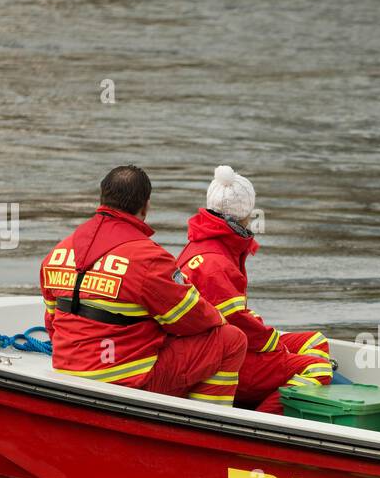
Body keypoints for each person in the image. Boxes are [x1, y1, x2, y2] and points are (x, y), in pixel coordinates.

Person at [40, 165, 247, 404]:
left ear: (102, 198)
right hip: (125, 381)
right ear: (146, 205)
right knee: (231, 340)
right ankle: (206, 427)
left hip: (65, 374)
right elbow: (193, 319)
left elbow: (52, 323)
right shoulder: (148, 258)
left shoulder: (58, 252)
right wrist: (219, 319)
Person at [176, 165, 332, 414]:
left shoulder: (204, 245)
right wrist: (275, 346)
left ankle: (276, 399)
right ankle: (263, 422)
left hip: (230, 345)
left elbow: (230, 313)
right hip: (228, 356)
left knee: (316, 341)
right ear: (245, 214)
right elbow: (236, 321)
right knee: (319, 369)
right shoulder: (215, 261)